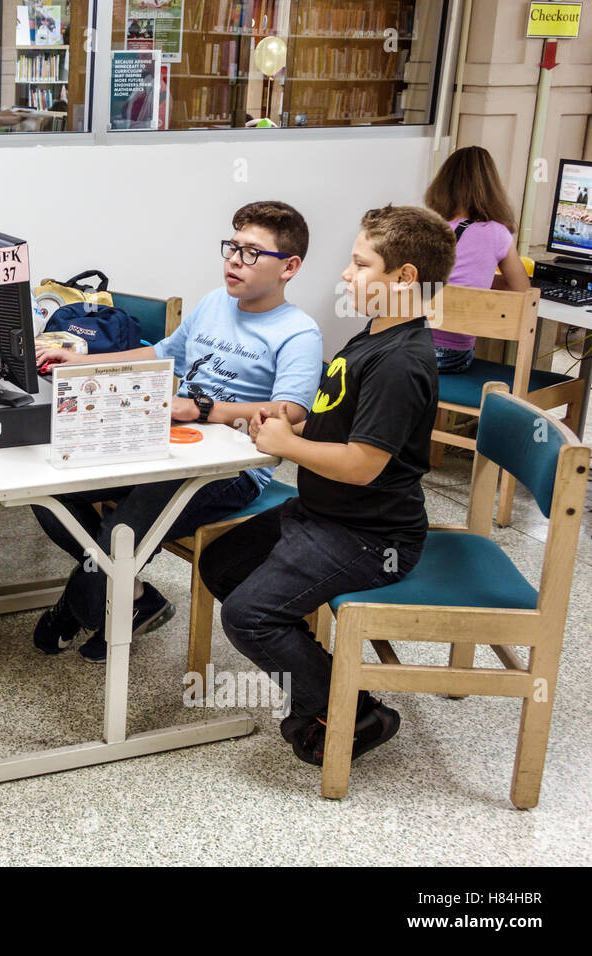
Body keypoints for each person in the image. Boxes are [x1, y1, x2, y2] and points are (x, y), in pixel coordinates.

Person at [199, 205, 456, 767]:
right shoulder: (372, 336)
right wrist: (295, 426)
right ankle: (321, 684)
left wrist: (289, 447)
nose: (345, 274)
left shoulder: (401, 361)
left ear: (405, 278)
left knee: (248, 615)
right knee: (221, 565)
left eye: (361, 264)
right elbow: (339, 419)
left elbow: (363, 464)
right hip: (320, 512)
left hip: (371, 536)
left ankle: (352, 710)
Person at [33, 201, 323, 662]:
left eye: (252, 253)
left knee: (123, 529)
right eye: (233, 246)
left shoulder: (298, 333)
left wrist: (203, 409)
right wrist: (81, 361)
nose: (234, 260)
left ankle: (83, 605)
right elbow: (163, 353)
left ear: (289, 267)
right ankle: (131, 597)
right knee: (48, 488)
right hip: (165, 440)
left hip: (229, 470)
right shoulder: (214, 303)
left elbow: (292, 414)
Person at [422, 145, 529, 373]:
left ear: (442, 185)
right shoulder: (498, 233)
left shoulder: (429, 228)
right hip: (451, 356)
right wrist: (480, 280)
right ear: (492, 189)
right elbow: (521, 288)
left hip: (411, 346)